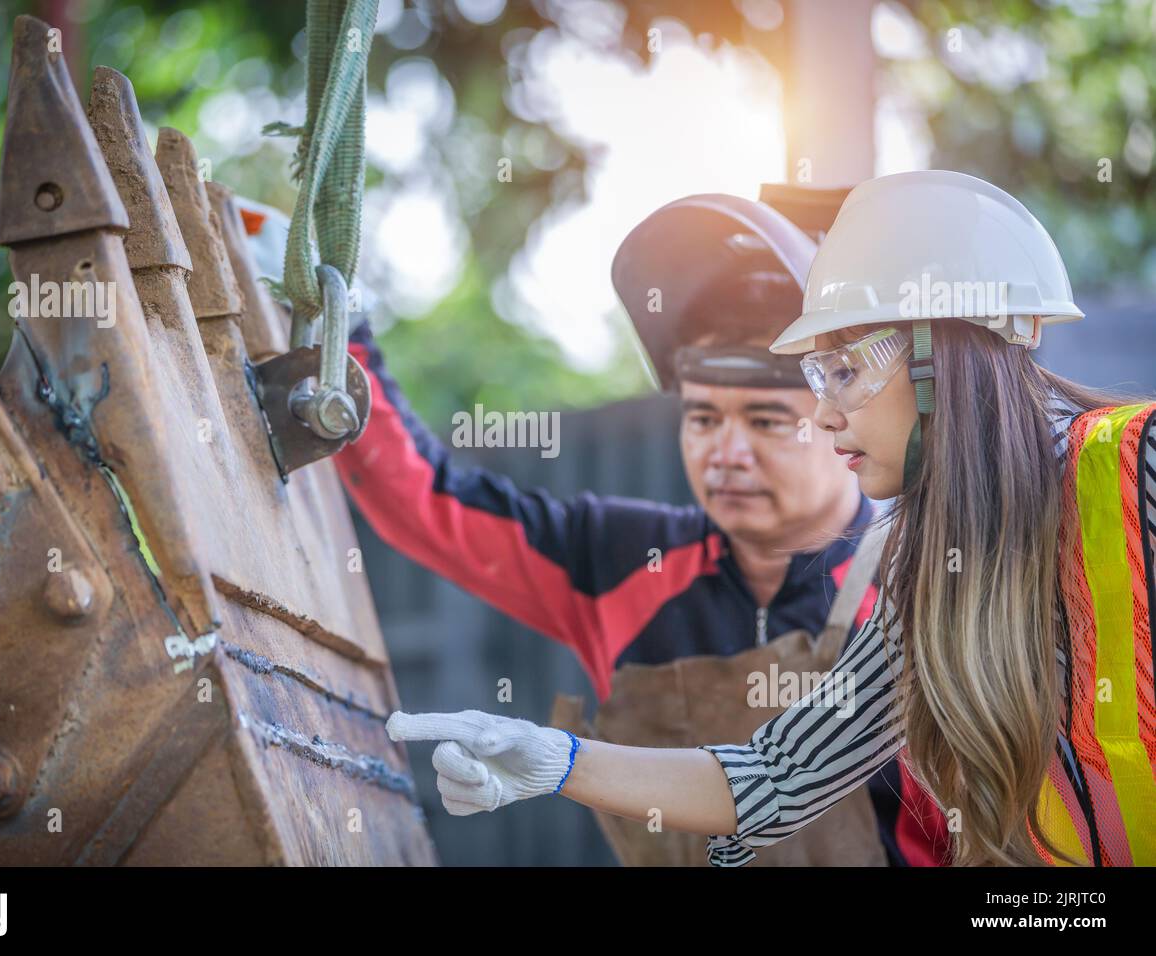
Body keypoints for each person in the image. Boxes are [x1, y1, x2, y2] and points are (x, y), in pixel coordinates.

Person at [386, 169, 1156, 867]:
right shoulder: (930, 576)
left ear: (936, 356)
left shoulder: (1136, 465)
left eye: (844, 372)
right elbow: (777, 779)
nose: (822, 414)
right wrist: (556, 761)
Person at [248, 187, 950, 865]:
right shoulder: (617, 562)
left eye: (765, 421)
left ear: (838, 416)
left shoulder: (922, 589)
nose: (725, 452)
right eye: (703, 418)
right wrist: (345, 329)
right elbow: (427, 498)